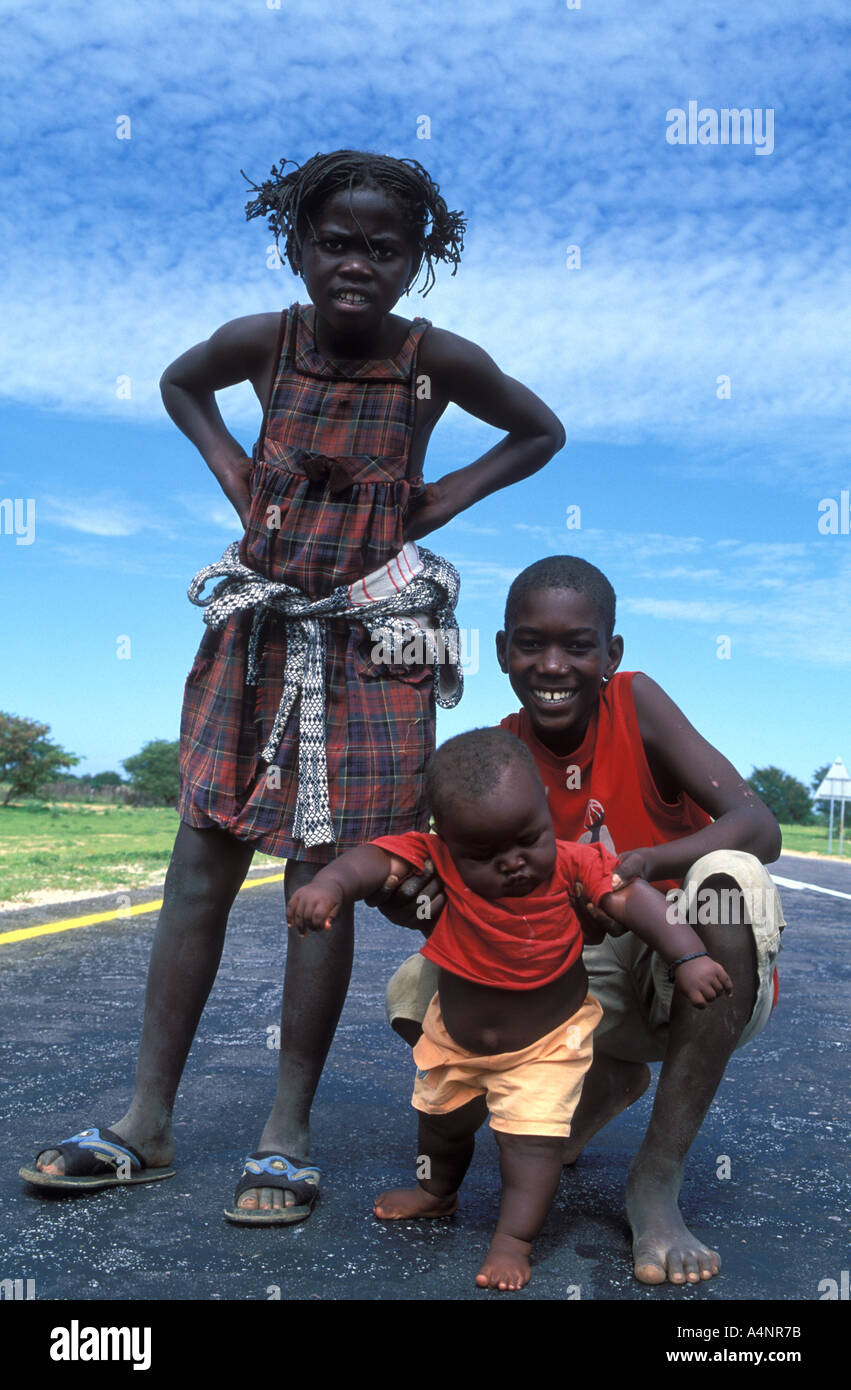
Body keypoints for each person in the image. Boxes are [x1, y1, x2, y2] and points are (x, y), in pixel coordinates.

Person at [19, 151, 565, 1223]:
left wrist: (439, 496)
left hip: (371, 647)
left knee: (323, 884)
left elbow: (539, 430)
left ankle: (285, 1132)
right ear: (297, 246)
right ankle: (147, 1121)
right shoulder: (261, 342)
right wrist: (231, 468)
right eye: (335, 242)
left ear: (416, 261)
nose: (356, 263)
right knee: (199, 867)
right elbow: (182, 383)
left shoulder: (431, 361)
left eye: (383, 247)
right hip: (259, 632)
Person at [380, 556, 784, 1284]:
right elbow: (442, 877)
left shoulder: (634, 705)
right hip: (568, 984)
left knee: (734, 878)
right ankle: (579, 1092)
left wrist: (644, 859)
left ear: (611, 654)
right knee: (417, 987)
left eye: (578, 645)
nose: (552, 664)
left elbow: (759, 826)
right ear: (502, 651)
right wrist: (415, 900)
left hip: (687, 971)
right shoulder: (494, 756)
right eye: (530, 644)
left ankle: (655, 1180)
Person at [287, 727, 733, 1291]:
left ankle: (512, 1240)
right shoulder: (436, 858)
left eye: (529, 839)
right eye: (485, 855)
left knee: (530, 1147)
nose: (514, 863)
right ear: (443, 840)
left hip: (545, 1046)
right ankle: (436, 1192)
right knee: (441, 1127)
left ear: (547, 810)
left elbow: (634, 899)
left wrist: (687, 954)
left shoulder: (573, 863)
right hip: (455, 1040)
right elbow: (371, 861)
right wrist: (330, 885)